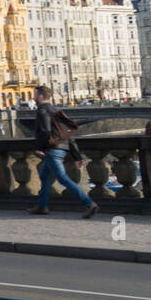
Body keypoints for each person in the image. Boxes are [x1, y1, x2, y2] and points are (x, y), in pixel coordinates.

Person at [29, 84, 97, 217]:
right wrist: (76, 156)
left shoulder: (42, 110)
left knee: (63, 179)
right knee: (44, 175)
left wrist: (39, 148)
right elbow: (68, 135)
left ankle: (89, 203)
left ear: (41, 96)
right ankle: (42, 206)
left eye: (35, 95)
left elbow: (45, 131)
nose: (34, 97)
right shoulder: (56, 110)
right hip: (61, 149)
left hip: (52, 150)